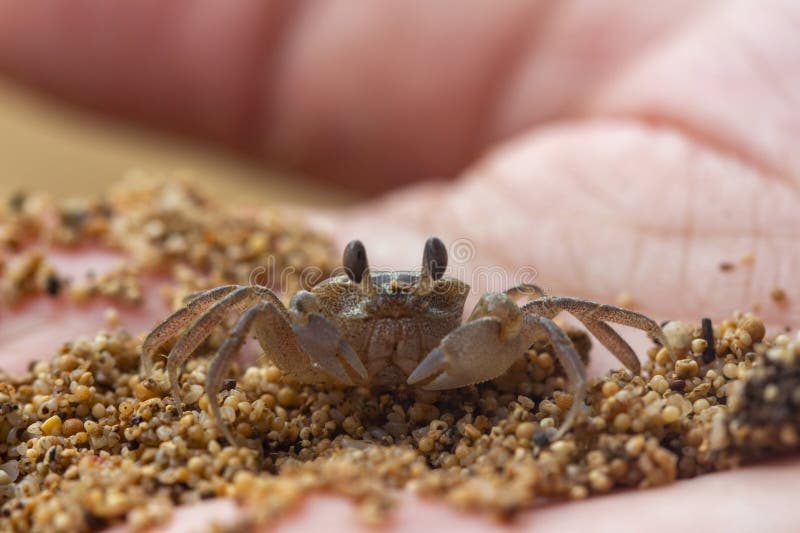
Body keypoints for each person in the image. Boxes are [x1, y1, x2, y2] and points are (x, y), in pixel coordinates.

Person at [0, 2, 798, 531]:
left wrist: (626, 376)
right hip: (328, 362)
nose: (392, 315)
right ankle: (195, 404)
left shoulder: (474, 323)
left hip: (459, 371)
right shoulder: (305, 324)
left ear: (443, 279)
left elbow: (550, 312)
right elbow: (245, 307)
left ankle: (602, 390)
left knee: (537, 305)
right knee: (248, 299)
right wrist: (183, 370)